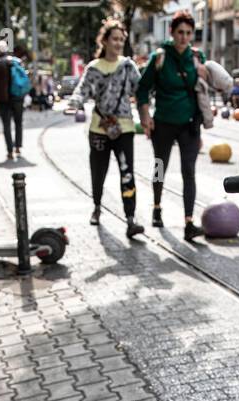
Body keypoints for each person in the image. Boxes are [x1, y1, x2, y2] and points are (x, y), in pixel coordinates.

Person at [136, 9, 207, 242]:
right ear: (172, 32)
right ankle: (156, 207)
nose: (184, 37)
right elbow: (142, 89)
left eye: (188, 33)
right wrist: (146, 116)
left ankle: (189, 222)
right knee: (159, 166)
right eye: (180, 32)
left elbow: (205, 88)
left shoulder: (197, 57)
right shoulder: (160, 57)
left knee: (190, 172)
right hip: (163, 124)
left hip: (189, 126)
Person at [70, 18, 145, 238]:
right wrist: (74, 102)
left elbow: (140, 91)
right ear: (104, 41)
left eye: (121, 39)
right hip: (99, 129)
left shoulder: (128, 66)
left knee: (127, 172)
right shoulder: (94, 68)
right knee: (98, 170)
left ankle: (131, 219)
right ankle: (96, 207)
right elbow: (81, 90)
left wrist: (147, 115)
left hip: (124, 129)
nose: (118, 43)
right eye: (114, 39)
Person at [0, 41, 29, 160]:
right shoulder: (17, 61)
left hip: (3, 99)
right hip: (17, 98)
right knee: (18, 123)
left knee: (6, 125)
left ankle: (10, 151)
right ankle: (18, 147)